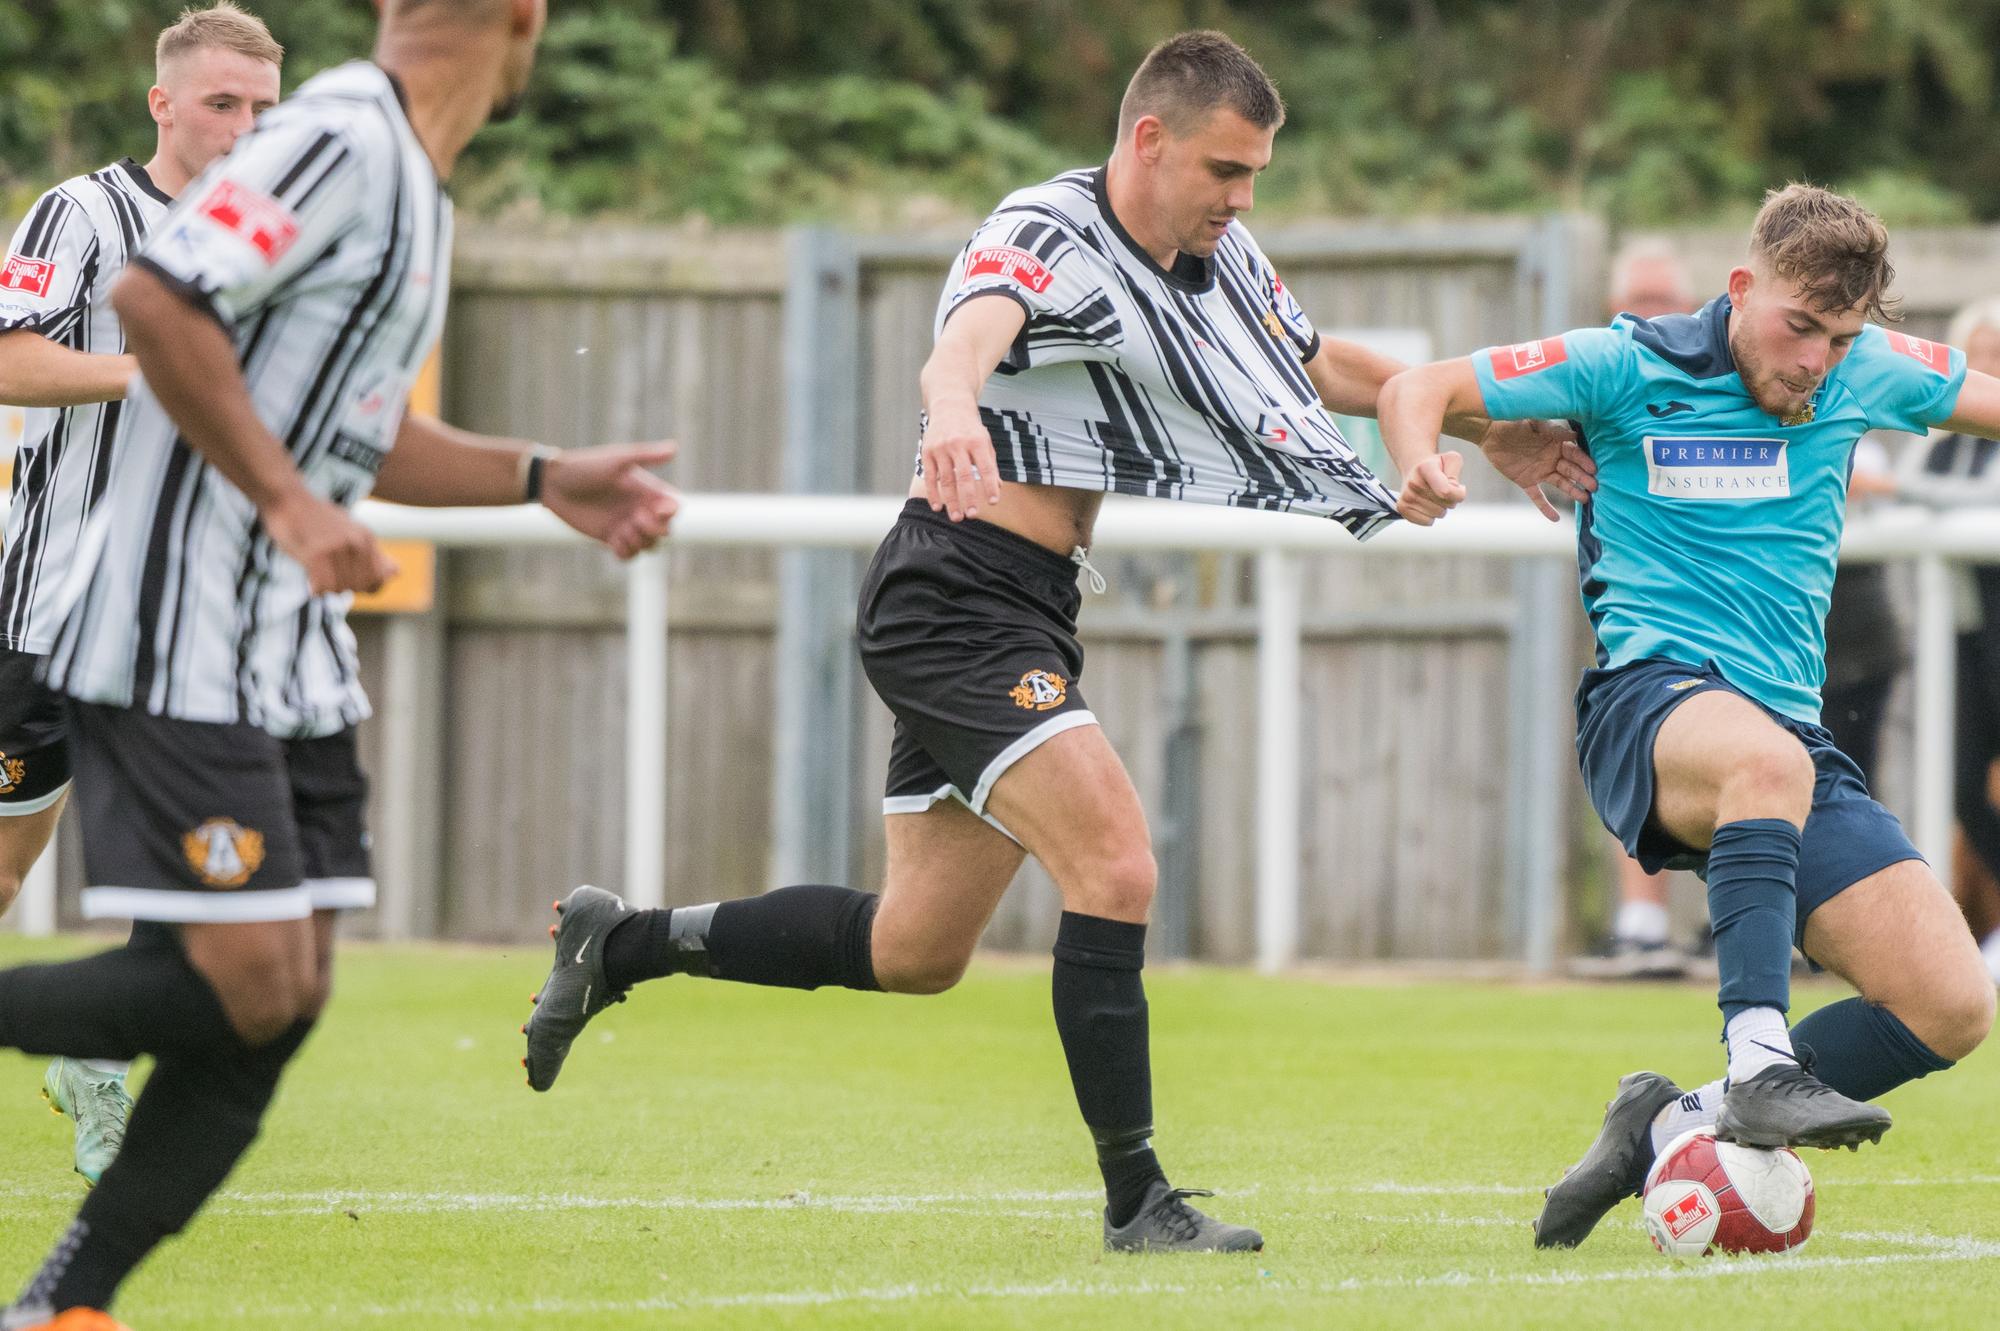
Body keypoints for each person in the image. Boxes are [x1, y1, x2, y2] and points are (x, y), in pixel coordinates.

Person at [520, 28, 1589, 1256]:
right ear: (1148, 140)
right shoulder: (1045, 232)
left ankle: (623, 940)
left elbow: (1315, 361)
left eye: (1254, 177)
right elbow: (965, 331)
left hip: (1024, 600)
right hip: (952, 597)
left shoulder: (1218, 255)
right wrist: (952, 408)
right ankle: (1138, 1200)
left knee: (915, 948)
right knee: (1118, 866)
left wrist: (1479, 412)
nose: (1242, 200)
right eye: (1225, 172)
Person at [0, 3, 679, 1326]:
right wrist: (290, 503)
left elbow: (354, 431)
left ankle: (65, 1304)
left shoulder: (409, 179)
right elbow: (154, 299)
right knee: (243, 976)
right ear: (522, 19)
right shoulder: (346, 139)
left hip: (286, 654)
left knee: (286, 989)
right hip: (176, 622)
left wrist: (540, 477)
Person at [1377, 183, 1997, 1250]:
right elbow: (1416, 383)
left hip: (1785, 744)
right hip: (1646, 702)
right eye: (1797, 326)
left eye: (1838, 337)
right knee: (1760, 760)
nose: (1813, 358)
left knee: (1949, 1002)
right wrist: (1418, 459)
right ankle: (1758, 1061)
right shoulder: (1623, 361)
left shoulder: (1864, 371)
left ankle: (1672, 1117)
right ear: (1740, 287)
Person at [0, 0, 281, 1189]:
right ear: (163, 103)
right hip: (54, 607)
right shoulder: (86, 213)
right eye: (223, 103)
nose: (245, 127)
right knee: (12, 867)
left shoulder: (278, 236)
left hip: (198, 621)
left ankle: (98, 1052)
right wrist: (149, 370)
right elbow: (10, 355)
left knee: (203, 875)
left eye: (265, 109)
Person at [1576, 240, 1700, 979]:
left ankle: (1739, 925)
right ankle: (1643, 925)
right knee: (1638, 757)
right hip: (1629, 611)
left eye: (1665, 300)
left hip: (1730, 608)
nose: (1653, 314)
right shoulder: (1599, 369)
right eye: (1640, 298)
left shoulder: (1730, 378)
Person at [1897, 295, 2000, 984]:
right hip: (1965, 635)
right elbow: (1907, 484)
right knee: (1964, 783)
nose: (1991, 365)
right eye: (1981, 351)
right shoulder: (1941, 438)